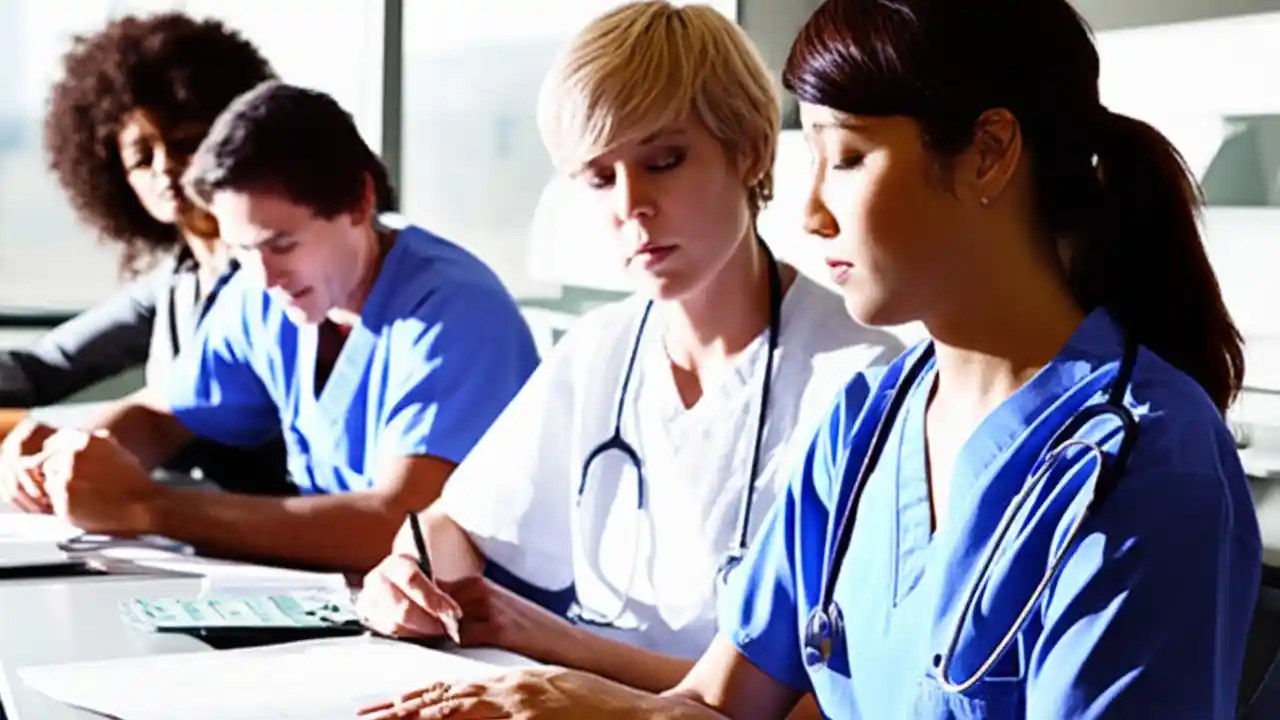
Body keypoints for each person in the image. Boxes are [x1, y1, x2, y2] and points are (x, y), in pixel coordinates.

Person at [356, 0, 1262, 718]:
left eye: (852, 158)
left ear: (988, 154)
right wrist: (553, 698)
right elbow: (716, 706)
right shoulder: (866, 427)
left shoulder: (1142, 468)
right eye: (811, 158)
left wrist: (573, 673)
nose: (812, 212)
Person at [355, 0, 900, 699]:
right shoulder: (600, 350)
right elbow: (454, 528)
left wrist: (559, 645)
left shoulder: (861, 379)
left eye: (664, 161)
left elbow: (807, 704)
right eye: (598, 176)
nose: (631, 205)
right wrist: (406, 573)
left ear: (751, 152)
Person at [29, 81, 540, 572]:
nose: (265, 277)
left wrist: (149, 507)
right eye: (243, 250)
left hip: (484, 629)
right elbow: (160, 415)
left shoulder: (457, 314)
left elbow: (400, 527)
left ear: (360, 203)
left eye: (282, 244)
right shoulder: (261, 296)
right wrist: (64, 462)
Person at [0, 13, 287, 510]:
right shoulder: (175, 283)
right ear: (115, 175)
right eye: (141, 156)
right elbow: (46, 366)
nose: (166, 169)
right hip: (180, 535)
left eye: (184, 143)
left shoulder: (285, 275)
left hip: (271, 529)